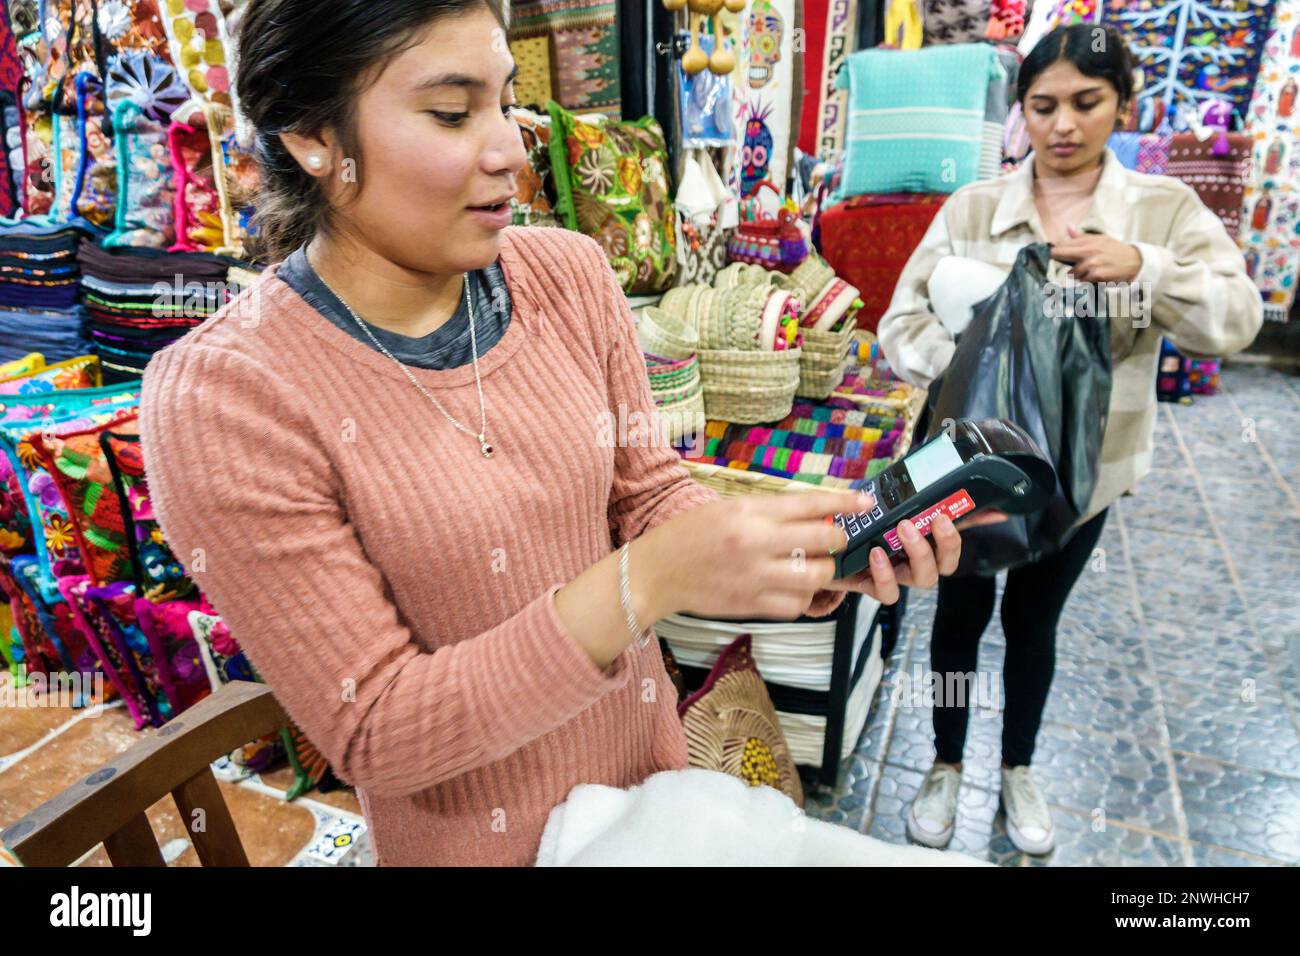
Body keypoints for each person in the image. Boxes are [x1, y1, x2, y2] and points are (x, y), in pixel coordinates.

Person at [140, 0, 974, 867]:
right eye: (453, 113)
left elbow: (647, 490)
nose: (510, 149)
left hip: (654, 802)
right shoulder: (226, 401)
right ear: (316, 136)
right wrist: (642, 583)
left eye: (506, 103)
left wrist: (785, 561)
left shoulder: (566, 276)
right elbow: (380, 728)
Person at [877, 23, 1262, 855]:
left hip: (1084, 478)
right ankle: (945, 762)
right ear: (1021, 111)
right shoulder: (977, 210)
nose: (1063, 126)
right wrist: (979, 369)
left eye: (1086, 104)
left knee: (1034, 625)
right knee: (957, 614)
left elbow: (1236, 321)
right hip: (972, 473)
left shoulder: (1161, 213)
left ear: (1122, 104)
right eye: (1043, 105)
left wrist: (1146, 269)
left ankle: (1017, 767)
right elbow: (900, 323)